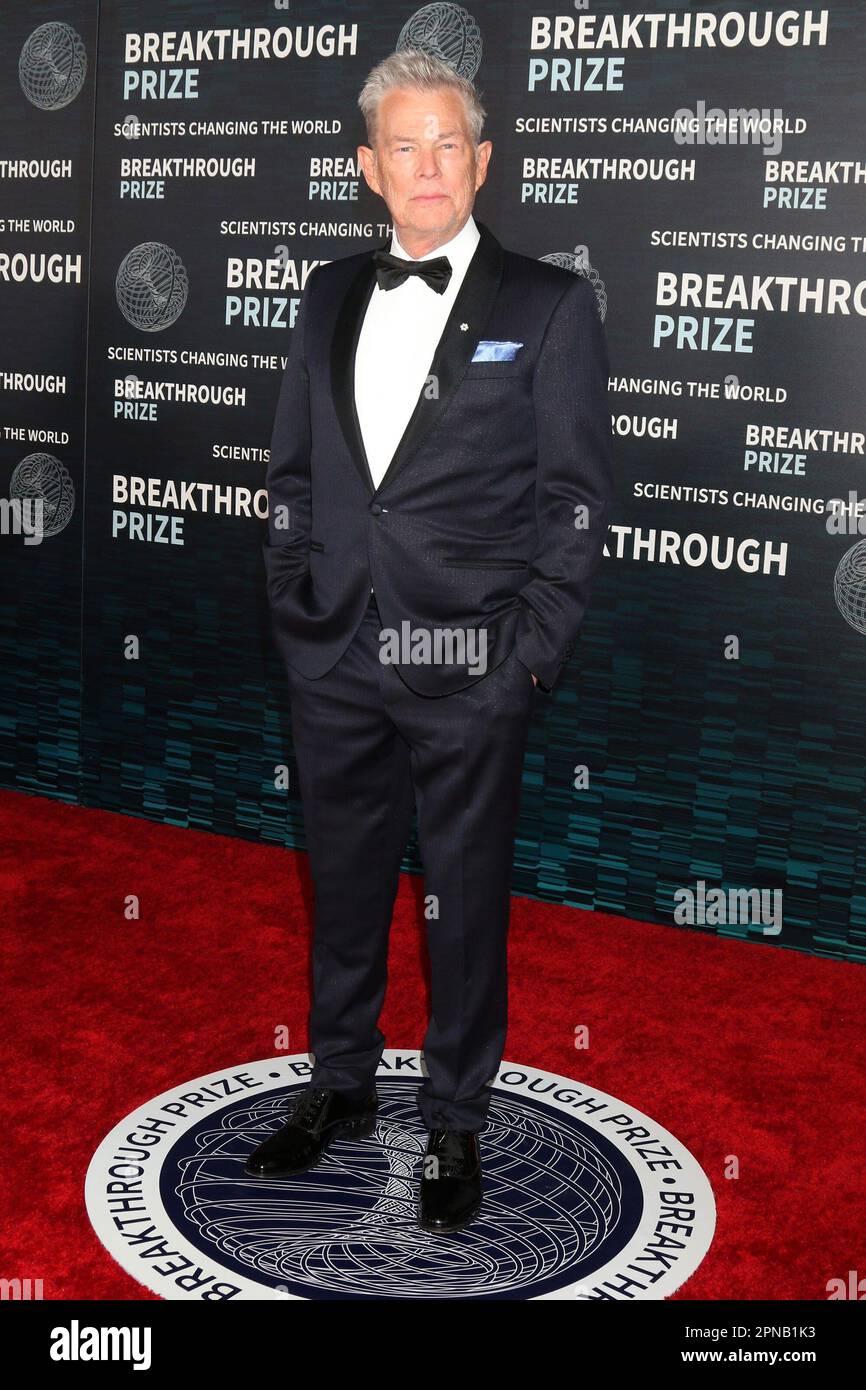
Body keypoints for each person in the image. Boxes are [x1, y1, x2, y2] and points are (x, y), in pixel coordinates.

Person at [246, 47, 615, 1234]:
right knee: (343, 883)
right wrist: (295, 596)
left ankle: (455, 1118)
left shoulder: (547, 304)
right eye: (401, 146)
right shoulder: (324, 294)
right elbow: (294, 472)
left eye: (445, 143)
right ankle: (340, 1085)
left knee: (461, 897)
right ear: (367, 168)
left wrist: (527, 655)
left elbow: (574, 499)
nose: (425, 166)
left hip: (472, 662)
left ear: (482, 160)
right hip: (334, 649)